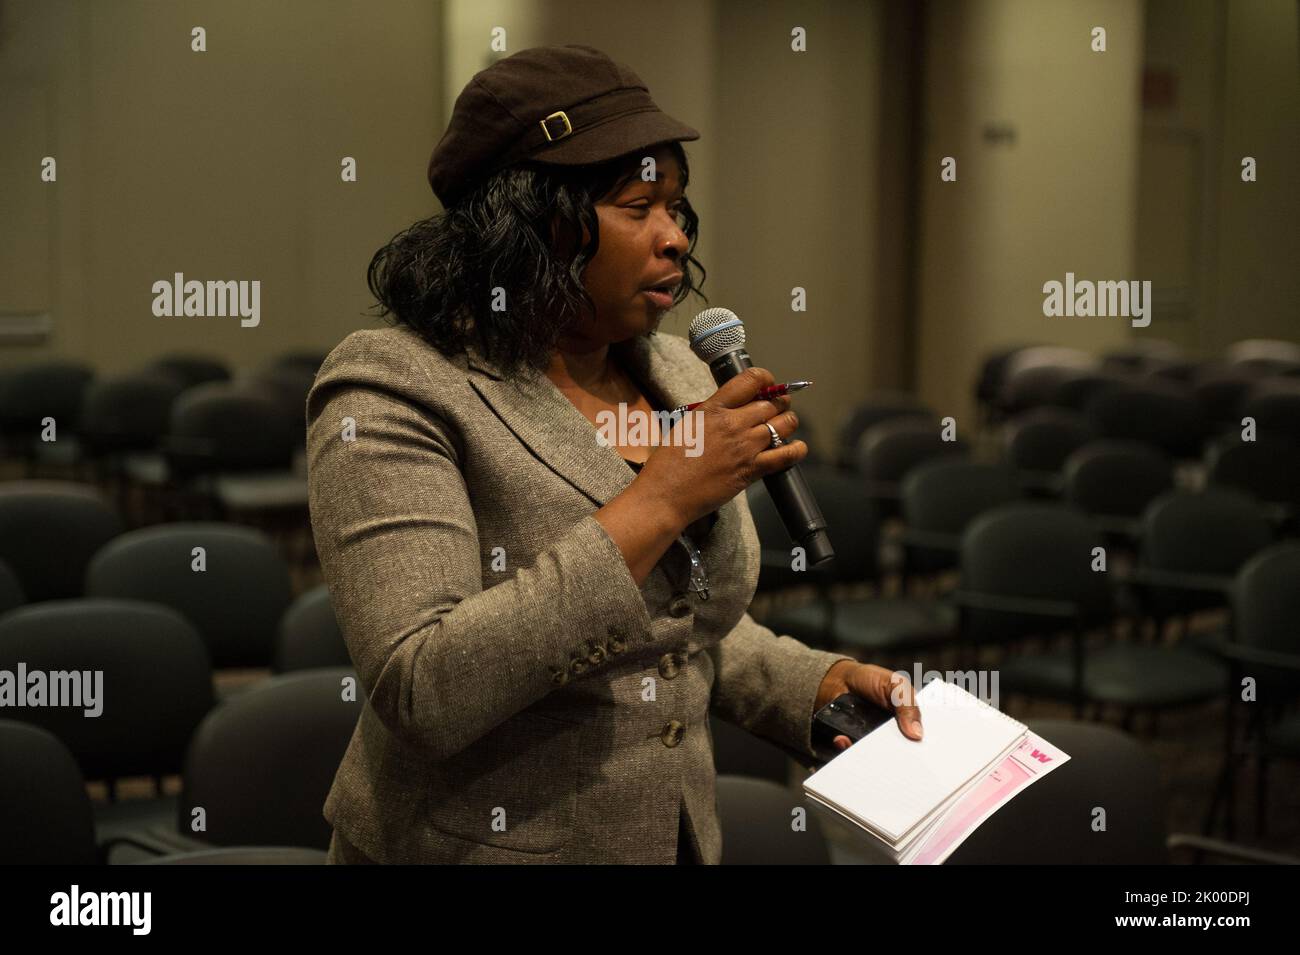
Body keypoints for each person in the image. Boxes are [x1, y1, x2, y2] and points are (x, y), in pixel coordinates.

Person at [308, 44, 922, 865]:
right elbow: (425, 687)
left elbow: (677, 623)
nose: (674, 238)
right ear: (533, 224)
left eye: (677, 206)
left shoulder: (675, 372)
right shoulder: (396, 384)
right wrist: (662, 496)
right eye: (641, 205)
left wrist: (812, 686)